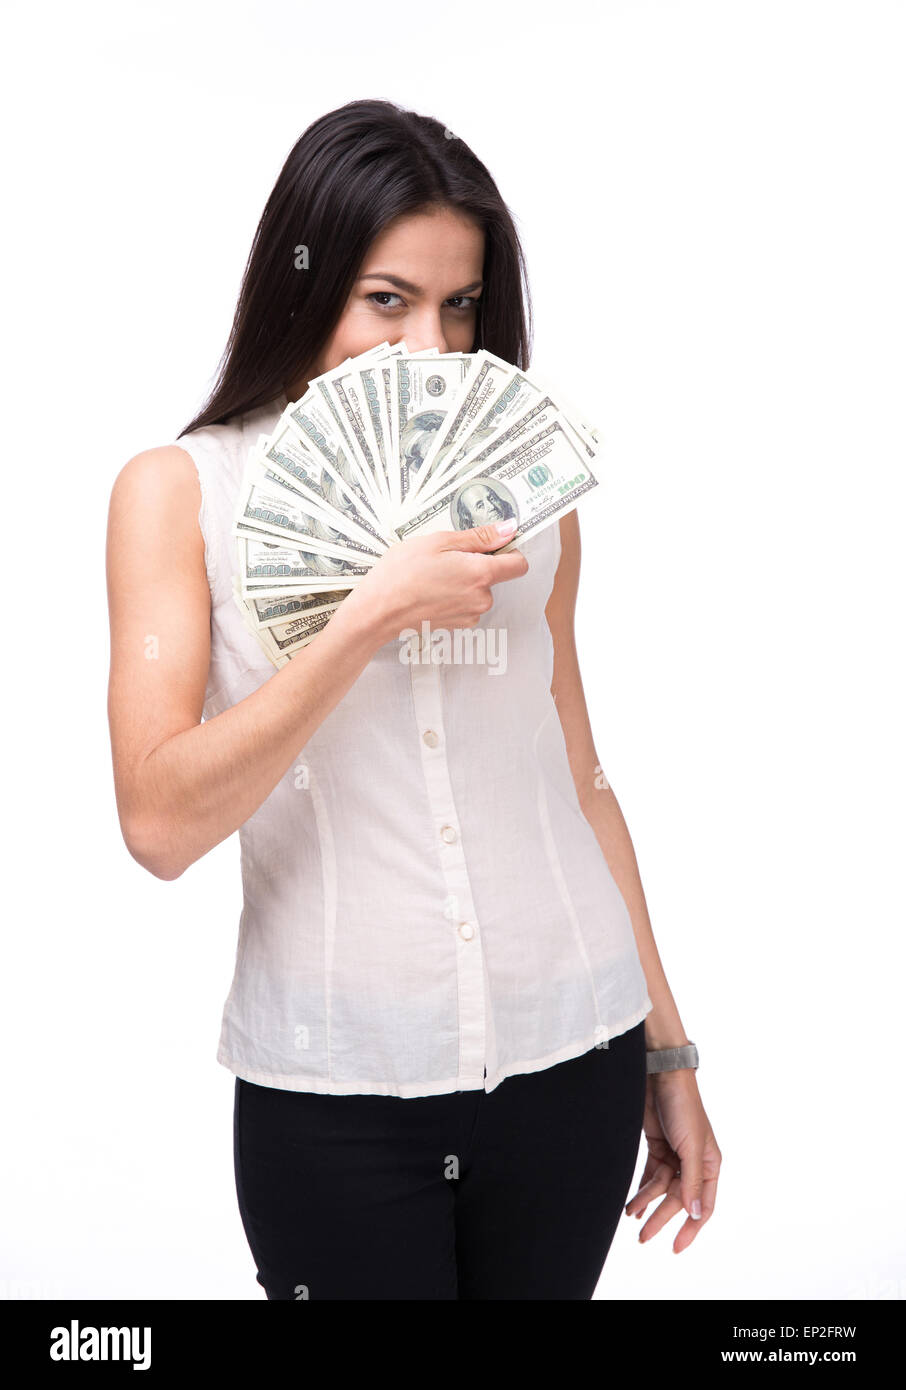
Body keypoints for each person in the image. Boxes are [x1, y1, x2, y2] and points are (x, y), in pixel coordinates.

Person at [106, 97, 721, 1300]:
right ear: (302, 285)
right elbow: (158, 823)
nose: (430, 349)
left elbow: (582, 781)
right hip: (335, 1089)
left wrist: (670, 1049)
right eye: (386, 300)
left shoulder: (532, 504)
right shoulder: (182, 494)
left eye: (461, 304)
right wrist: (365, 617)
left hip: (574, 1054)